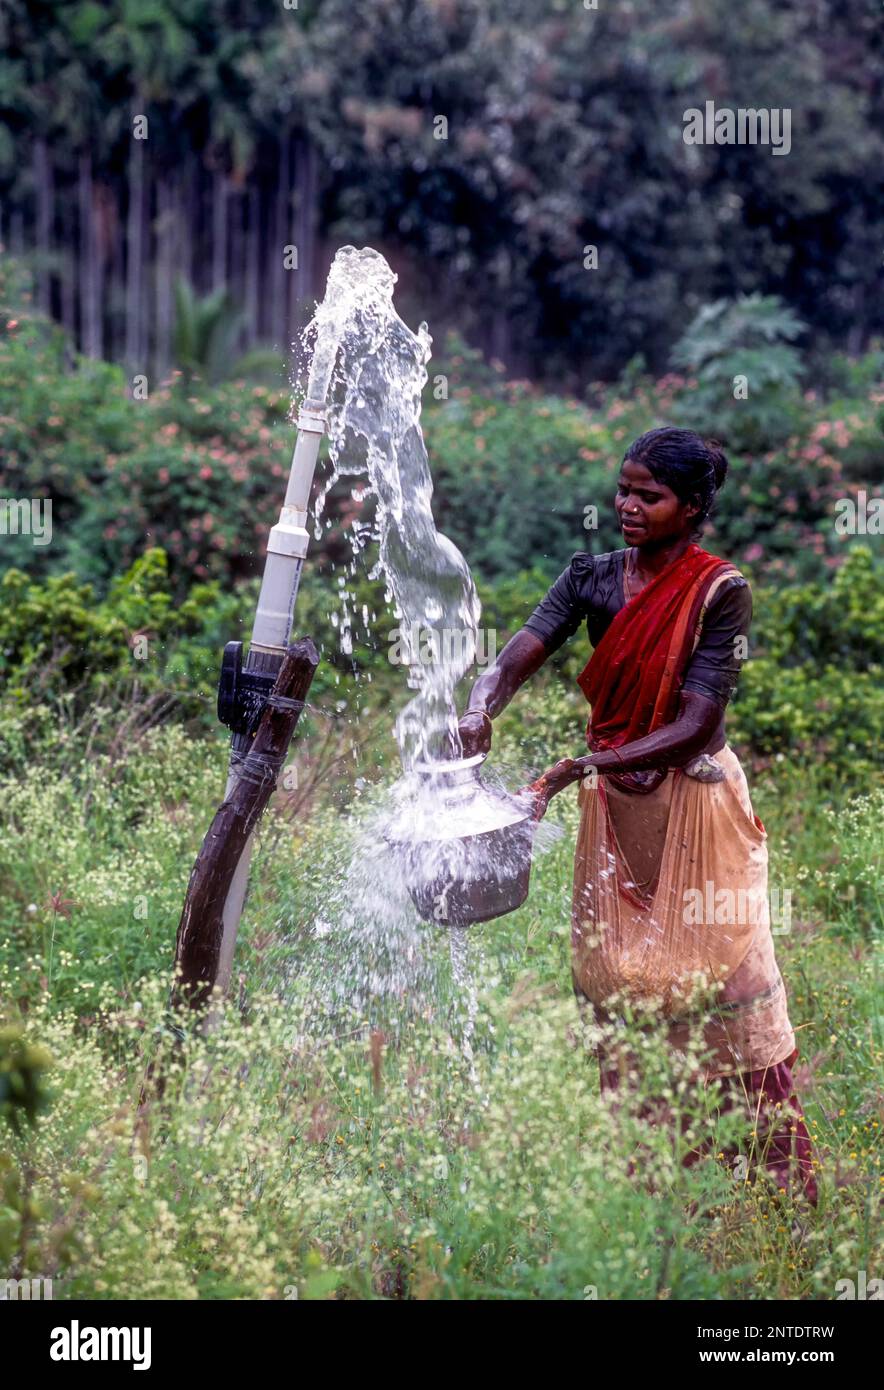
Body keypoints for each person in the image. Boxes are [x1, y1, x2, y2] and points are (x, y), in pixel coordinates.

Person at [457, 426, 818, 1205]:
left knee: (728, 984)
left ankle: (783, 1197)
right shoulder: (591, 577)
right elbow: (521, 649)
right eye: (623, 489)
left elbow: (695, 722)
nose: (627, 505)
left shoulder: (720, 590)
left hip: (697, 809)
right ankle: (664, 1198)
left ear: (690, 507)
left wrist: (580, 767)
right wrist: (482, 707)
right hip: (621, 812)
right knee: (625, 984)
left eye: (647, 495)